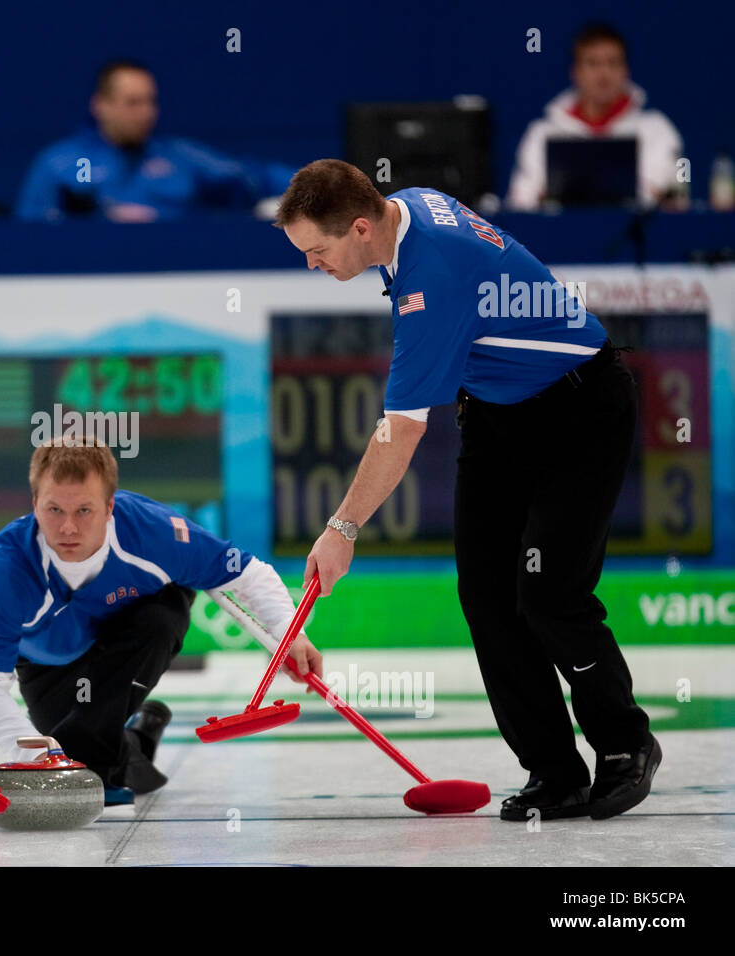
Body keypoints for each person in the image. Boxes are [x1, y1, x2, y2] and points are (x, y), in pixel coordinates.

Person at [275, 158, 661, 821]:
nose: (311, 264)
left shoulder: (434, 279)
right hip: (496, 414)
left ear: (361, 228)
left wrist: (342, 529)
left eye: (316, 251)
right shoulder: (411, 204)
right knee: (486, 595)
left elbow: (399, 432)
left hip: (579, 411)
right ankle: (554, 771)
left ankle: (626, 744)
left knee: (549, 593)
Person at [0, 440, 321, 805]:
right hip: (47, 665)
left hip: (129, 641)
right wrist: (37, 758)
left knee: (162, 616)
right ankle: (138, 737)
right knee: (82, 749)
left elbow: (247, 573)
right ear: (34, 505)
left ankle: (99, 751)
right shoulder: (4, 568)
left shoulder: (155, 531)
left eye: (84, 510)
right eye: (54, 509)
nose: (68, 527)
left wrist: (291, 635)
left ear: (109, 508)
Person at [15, 60, 296, 222]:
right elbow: (30, 233)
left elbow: (252, 178)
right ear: (100, 105)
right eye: (133, 103)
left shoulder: (180, 157)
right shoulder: (59, 163)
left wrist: (320, 185)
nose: (146, 113)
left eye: (150, 102)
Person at [507, 23, 683, 210]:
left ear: (626, 70)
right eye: (593, 63)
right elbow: (522, 202)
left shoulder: (657, 130)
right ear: (575, 72)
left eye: (612, 63)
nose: (603, 73)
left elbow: (671, 199)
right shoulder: (541, 134)